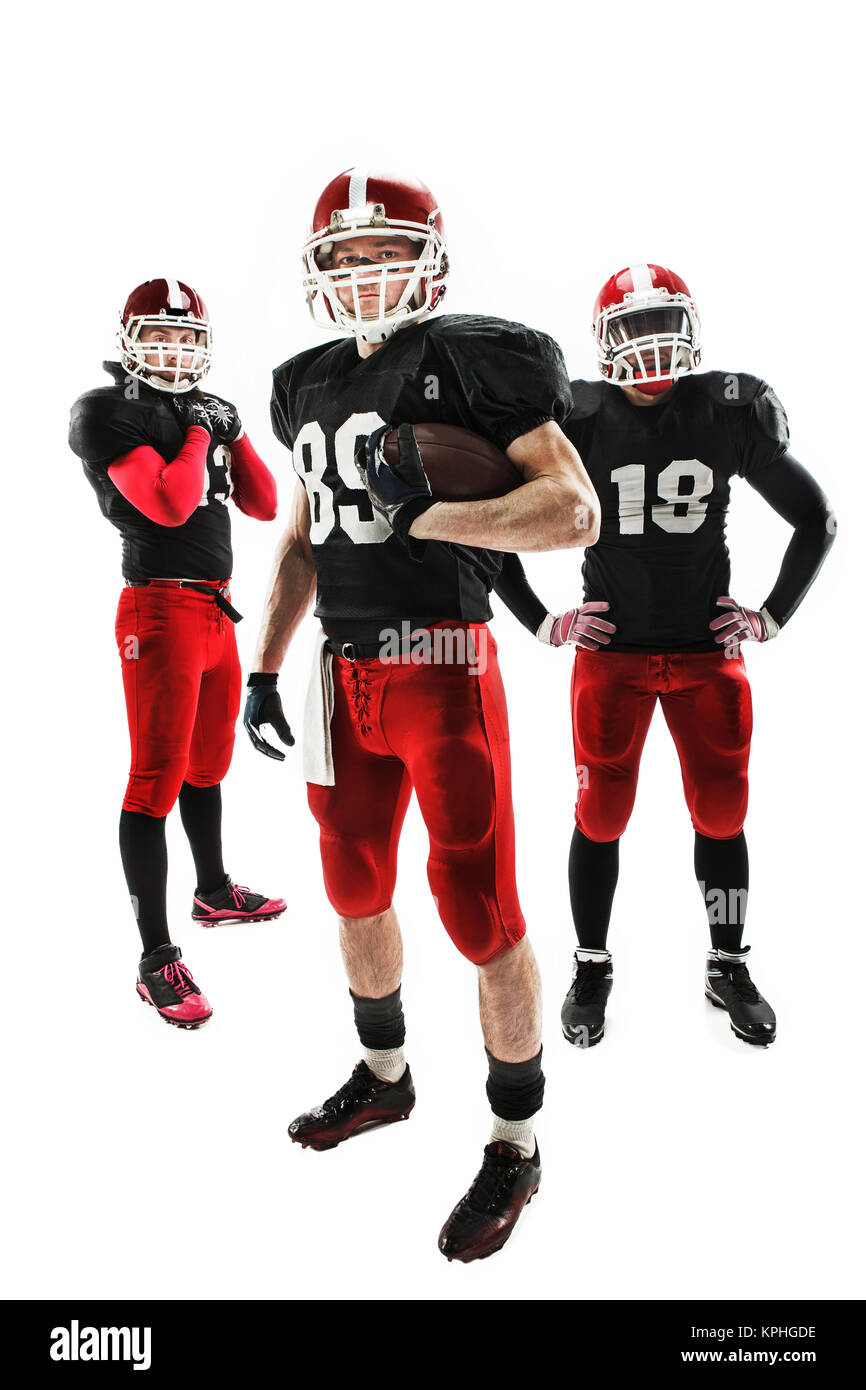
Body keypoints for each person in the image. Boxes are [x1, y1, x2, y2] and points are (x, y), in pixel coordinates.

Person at [244, 168, 599, 1261]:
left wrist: (439, 513)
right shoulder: (302, 382)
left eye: (384, 254)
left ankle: (514, 1140)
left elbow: (570, 507)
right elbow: (302, 539)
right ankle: (387, 1076)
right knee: (352, 885)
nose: (364, 275)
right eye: (344, 259)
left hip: (441, 664)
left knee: (477, 907)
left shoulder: (471, 359)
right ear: (318, 272)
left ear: (427, 260)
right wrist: (263, 665)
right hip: (343, 678)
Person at [498, 263, 836, 1048]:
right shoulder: (574, 413)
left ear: (688, 328)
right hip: (611, 661)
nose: (650, 346)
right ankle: (591, 963)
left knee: (722, 818)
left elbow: (815, 518)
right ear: (603, 340)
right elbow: (493, 520)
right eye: (633, 329)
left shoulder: (724, 410)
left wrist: (771, 617)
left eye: (662, 326)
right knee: (600, 817)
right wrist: (542, 621)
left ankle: (727, 962)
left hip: (702, 653)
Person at [69, 278, 287, 1029]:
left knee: (208, 762)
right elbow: (168, 503)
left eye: (187, 338)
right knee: (154, 778)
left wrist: (237, 432)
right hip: (157, 607)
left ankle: (214, 889)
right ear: (130, 340)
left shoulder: (197, 409)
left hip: (217, 609)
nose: (175, 349)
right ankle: (154, 957)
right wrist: (200, 434)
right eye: (159, 336)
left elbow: (262, 505)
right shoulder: (106, 410)